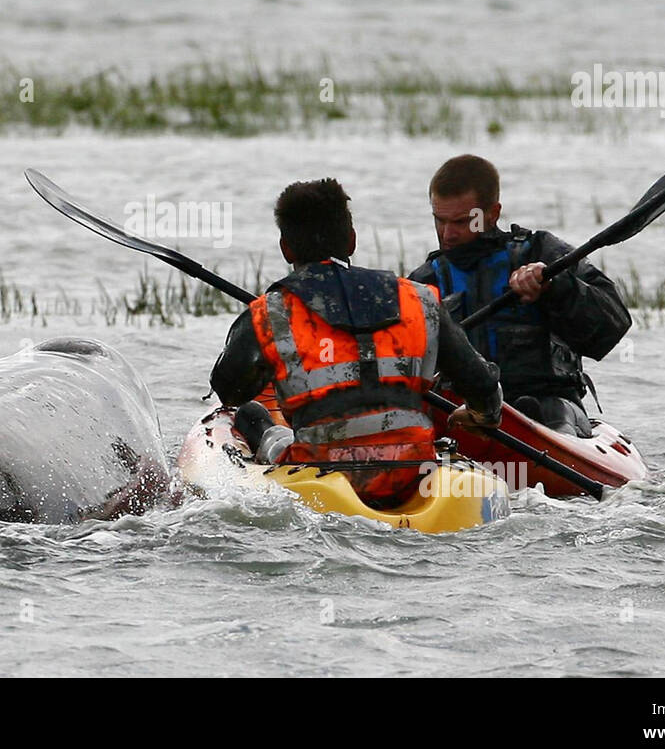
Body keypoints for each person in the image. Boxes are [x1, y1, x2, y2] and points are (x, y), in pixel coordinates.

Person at [210, 178, 503, 509]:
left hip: (321, 476)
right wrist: (482, 415)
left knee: (250, 415)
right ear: (351, 241)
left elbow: (228, 391)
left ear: (285, 248)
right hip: (410, 474)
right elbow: (482, 384)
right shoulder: (418, 299)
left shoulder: (268, 313)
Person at [406, 155, 631, 438]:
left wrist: (556, 287)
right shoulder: (423, 283)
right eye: (440, 221)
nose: (448, 234)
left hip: (548, 407)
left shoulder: (543, 254)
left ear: (492, 213)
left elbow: (613, 326)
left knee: (550, 414)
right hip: (462, 412)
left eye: (462, 222)